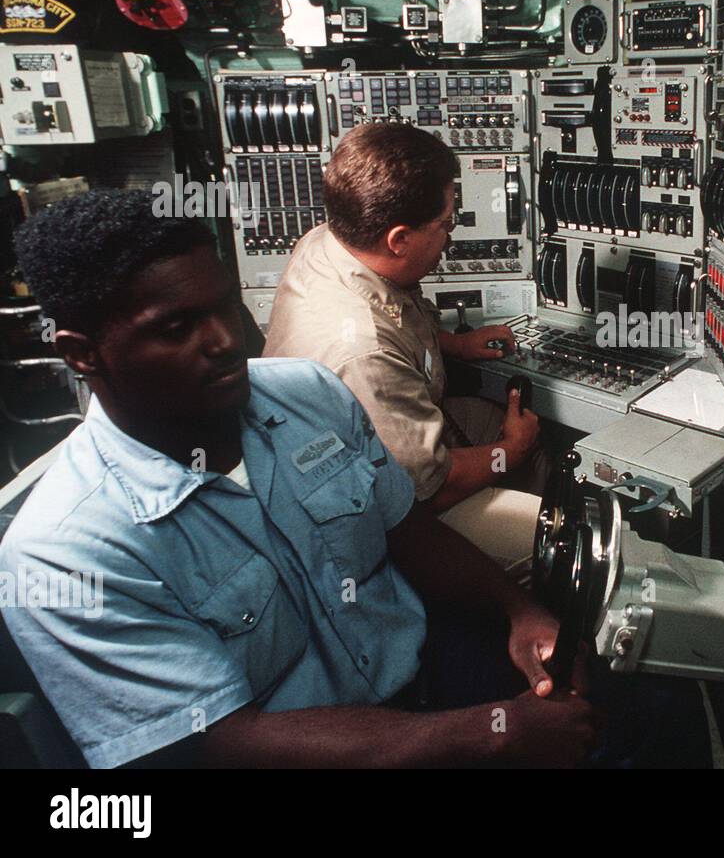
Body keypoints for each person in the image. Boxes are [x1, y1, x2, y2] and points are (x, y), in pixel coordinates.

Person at [0, 189, 600, 767]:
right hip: (300, 751)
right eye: (177, 328)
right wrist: (491, 735)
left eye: (225, 307)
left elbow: (406, 530)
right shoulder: (66, 553)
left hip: (420, 670)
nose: (226, 341)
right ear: (82, 354)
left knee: (609, 708)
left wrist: (517, 610)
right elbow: (225, 742)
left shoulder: (308, 393)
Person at [263, 123, 543, 578]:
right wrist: (510, 451)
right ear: (399, 240)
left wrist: (451, 343)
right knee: (551, 540)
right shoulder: (363, 352)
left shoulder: (331, 238)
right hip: (380, 514)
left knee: (499, 424)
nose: (450, 234)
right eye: (445, 223)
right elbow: (431, 489)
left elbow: (393, 308)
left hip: (390, 438)